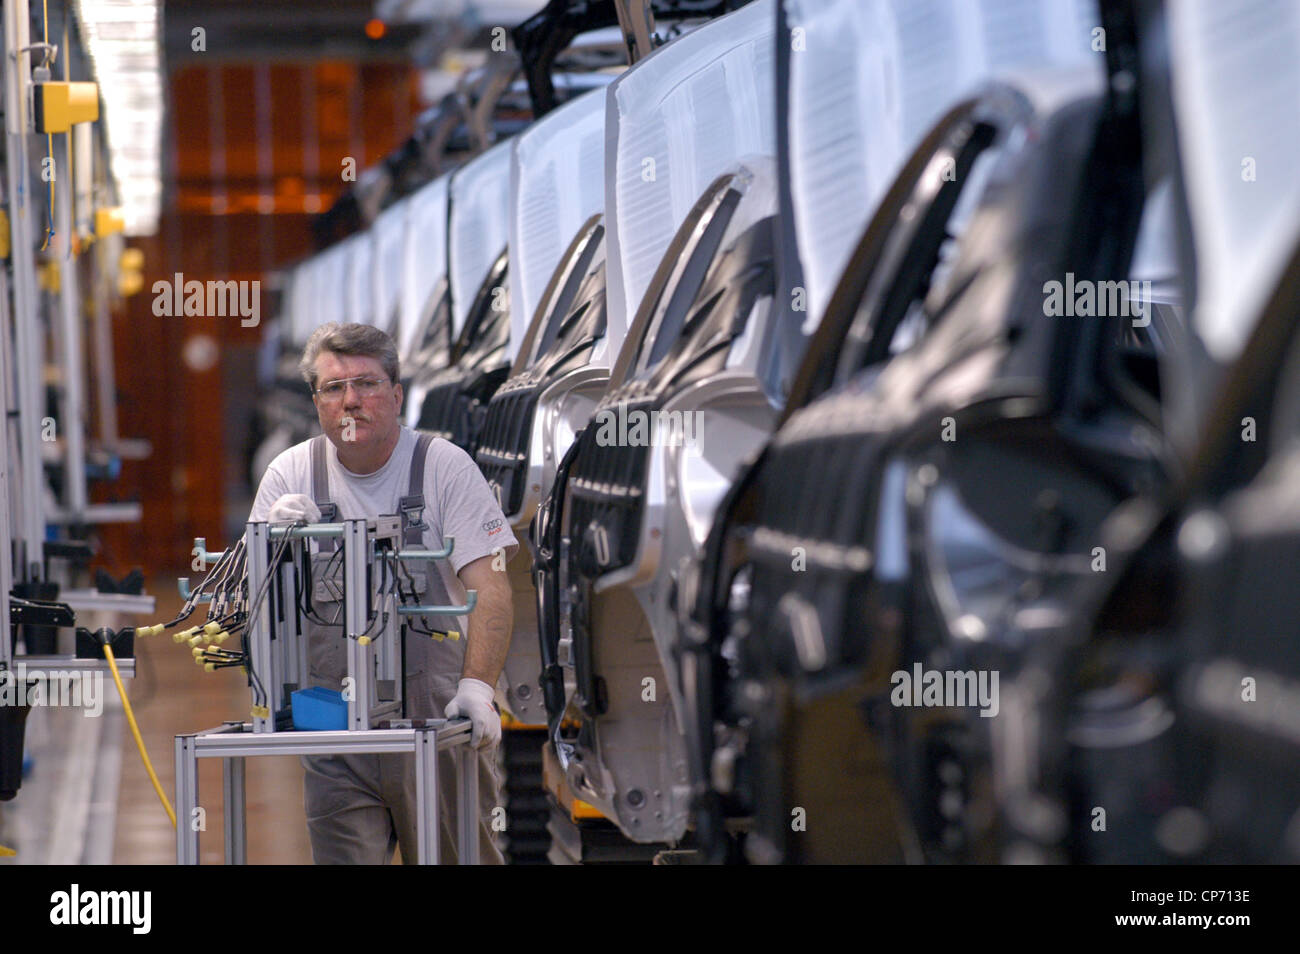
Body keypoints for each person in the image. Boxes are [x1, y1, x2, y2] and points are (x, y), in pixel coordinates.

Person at [248, 322, 517, 864]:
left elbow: (491, 584)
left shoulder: (443, 466)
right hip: (333, 728)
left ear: (396, 395)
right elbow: (249, 603)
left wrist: (476, 687)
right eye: (333, 387)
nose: (351, 401)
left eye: (367, 384)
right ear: (316, 401)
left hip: (437, 720)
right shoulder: (289, 474)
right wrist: (272, 546)